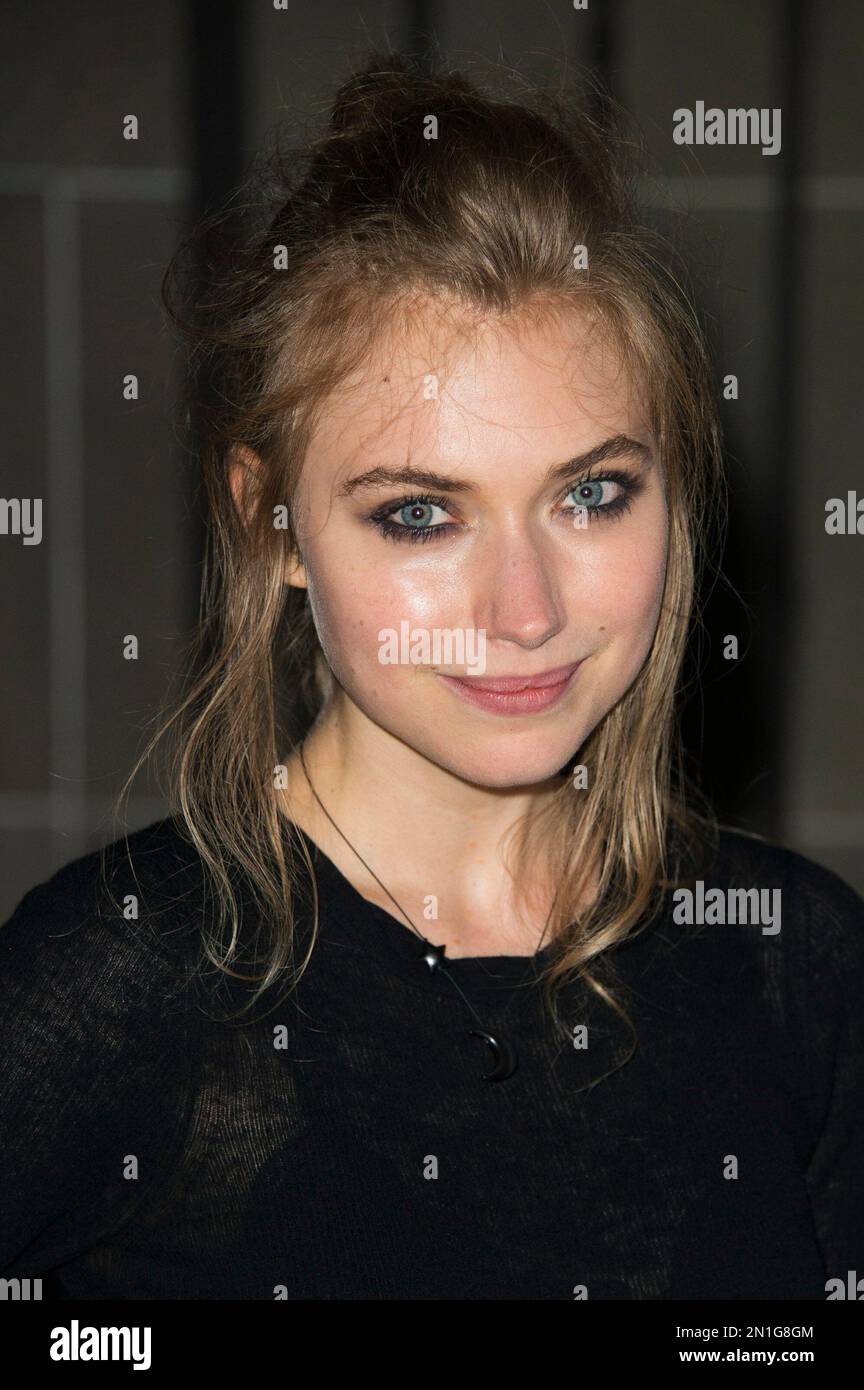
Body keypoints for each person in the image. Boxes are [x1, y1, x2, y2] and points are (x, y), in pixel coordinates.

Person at [1, 51, 862, 1302]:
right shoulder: (113, 983)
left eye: (591, 494)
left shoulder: (801, 968)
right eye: (419, 514)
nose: (526, 613)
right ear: (271, 527)